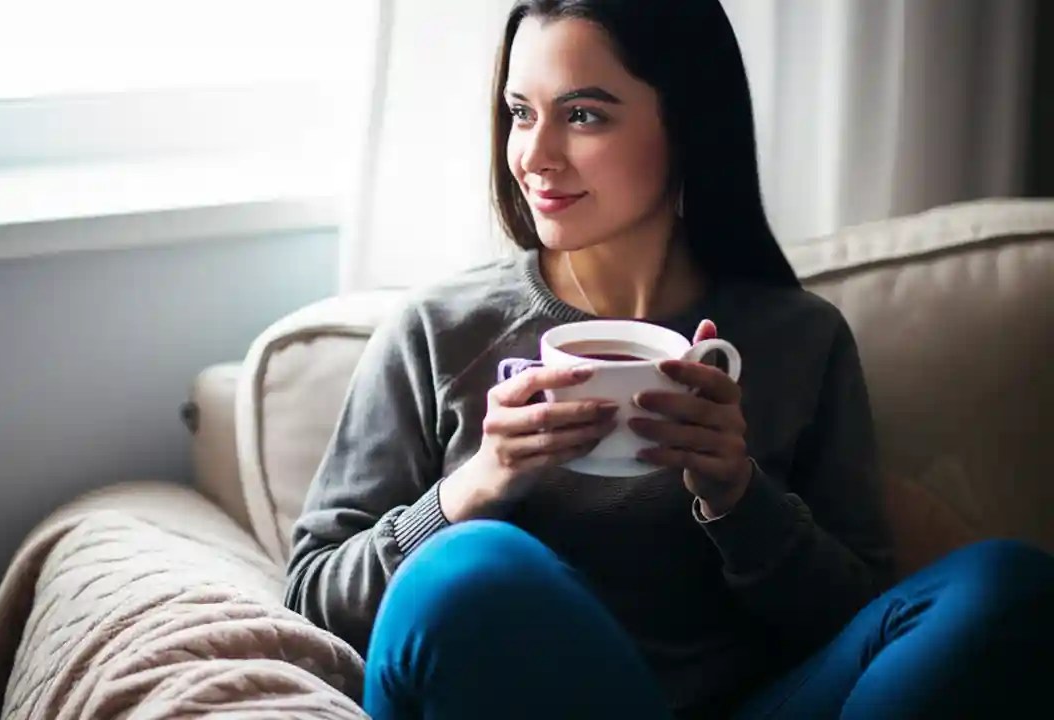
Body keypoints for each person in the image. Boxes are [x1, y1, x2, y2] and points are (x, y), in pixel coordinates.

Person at [284, 0, 1054, 717]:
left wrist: (737, 496)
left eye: (583, 115)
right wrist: (472, 489)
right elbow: (312, 595)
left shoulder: (799, 339)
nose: (535, 155)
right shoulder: (437, 332)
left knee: (1006, 586)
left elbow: (854, 616)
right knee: (471, 570)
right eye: (522, 114)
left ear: (687, 124)